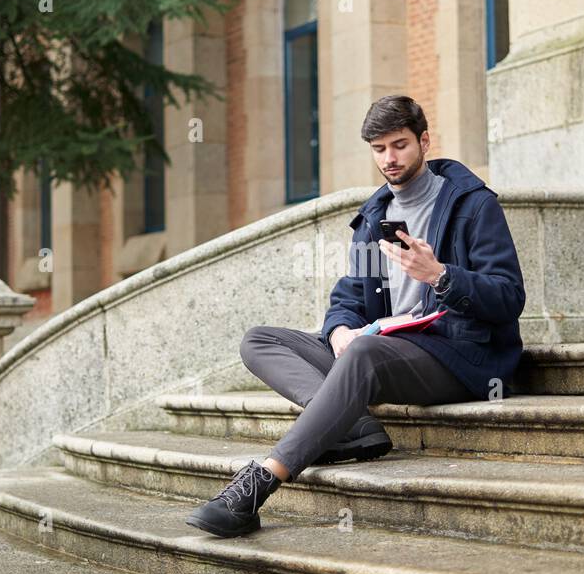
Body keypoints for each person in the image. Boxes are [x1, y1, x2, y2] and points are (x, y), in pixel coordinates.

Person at [185, 95, 526, 538]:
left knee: (364, 352)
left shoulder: (472, 206)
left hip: (460, 355)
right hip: (385, 345)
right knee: (261, 340)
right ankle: (355, 423)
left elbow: (508, 296)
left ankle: (258, 484)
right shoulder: (374, 216)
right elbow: (349, 295)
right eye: (379, 149)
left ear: (424, 141)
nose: (390, 158)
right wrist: (341, 328)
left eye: (400, 145)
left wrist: (441, 276)